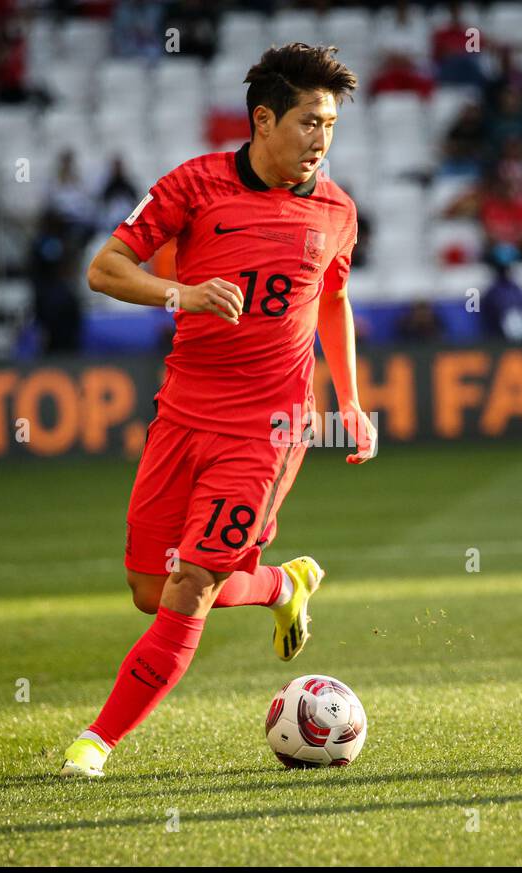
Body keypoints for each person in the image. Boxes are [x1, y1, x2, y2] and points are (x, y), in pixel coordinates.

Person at [62, 44, 376, 779]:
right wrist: (182, 293)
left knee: (191, 586)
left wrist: (353, 403)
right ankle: (280, 584)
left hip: (266, 432)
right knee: (149, 590)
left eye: (330, 124)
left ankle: (96, 743)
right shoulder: (195, 185)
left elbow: (333, 300)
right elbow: (103, 268)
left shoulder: (336, 210)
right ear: (263, 120)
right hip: (181, 416)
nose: (321, 140)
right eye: (308, 122)